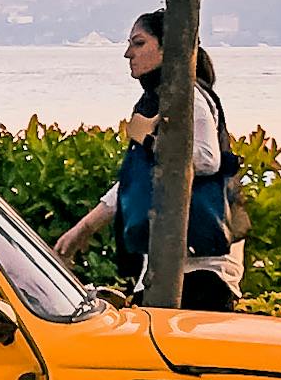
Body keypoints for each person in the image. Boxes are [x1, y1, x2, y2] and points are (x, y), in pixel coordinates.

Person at [55, 16, 241, 308]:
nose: (129, 54)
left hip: (200, 270)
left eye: (139, 43)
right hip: (166, 264)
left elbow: (207, 160)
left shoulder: (188, 94)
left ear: (169, 49)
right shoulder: (155, 100)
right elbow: (138, 179)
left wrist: (149, 142)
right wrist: (85, 228)